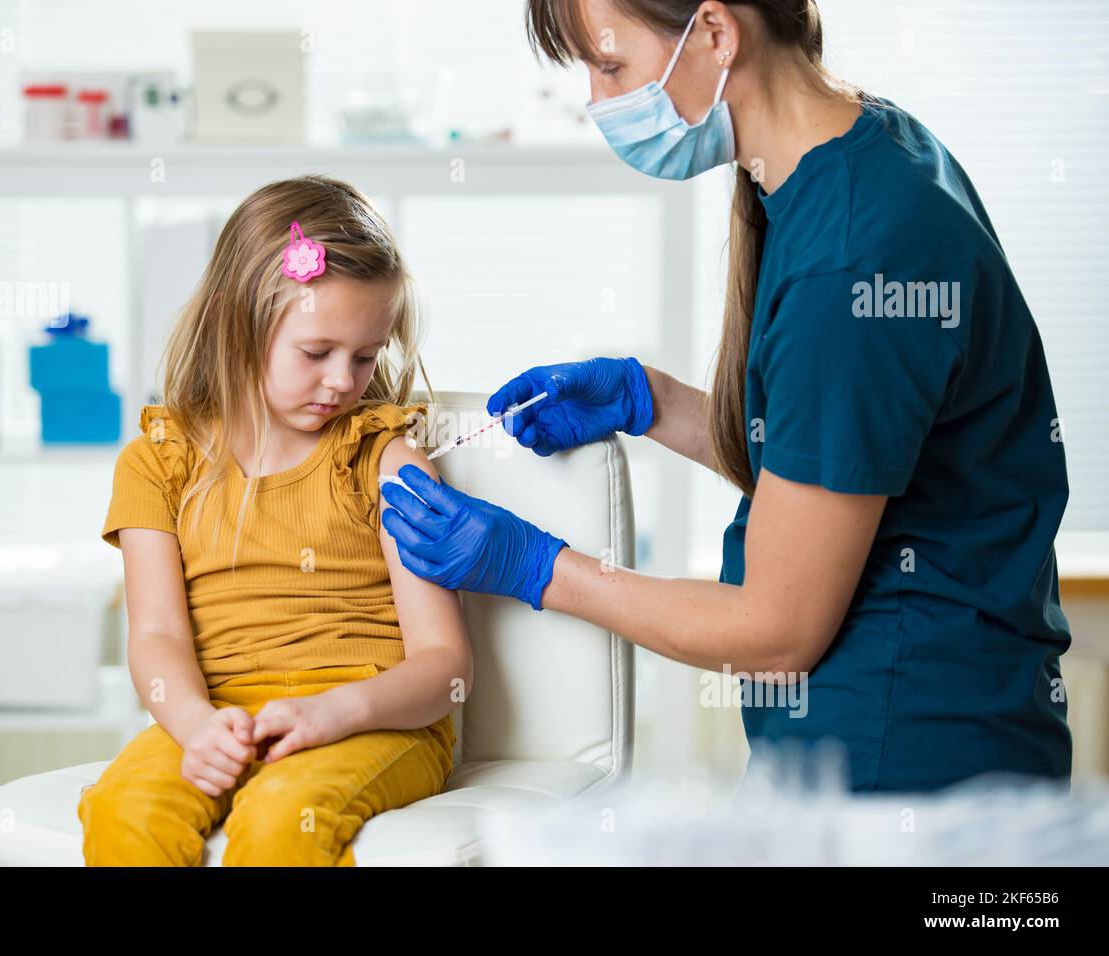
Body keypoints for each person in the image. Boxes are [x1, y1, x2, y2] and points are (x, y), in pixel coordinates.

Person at [381, 0, 1073, 793]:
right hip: (899, 740)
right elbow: (840, 460)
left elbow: (775, 631)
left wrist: (538, 567)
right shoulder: (865, 152)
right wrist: (654, 402)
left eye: (611, 66)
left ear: (715, 33)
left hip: (906, 770)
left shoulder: (849, 263)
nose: (599, 102)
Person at [81, 176, 468, 865]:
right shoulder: (156, 464)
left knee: (284, 819)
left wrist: (335, 712)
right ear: (239, 323)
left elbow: (444, 665)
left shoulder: (385, 460)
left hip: (372, 724)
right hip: (218, 717)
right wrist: (198, 727)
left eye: (366, 355)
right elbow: (157, 637)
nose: (344, 381)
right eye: (316, 353)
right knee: (123, 813)